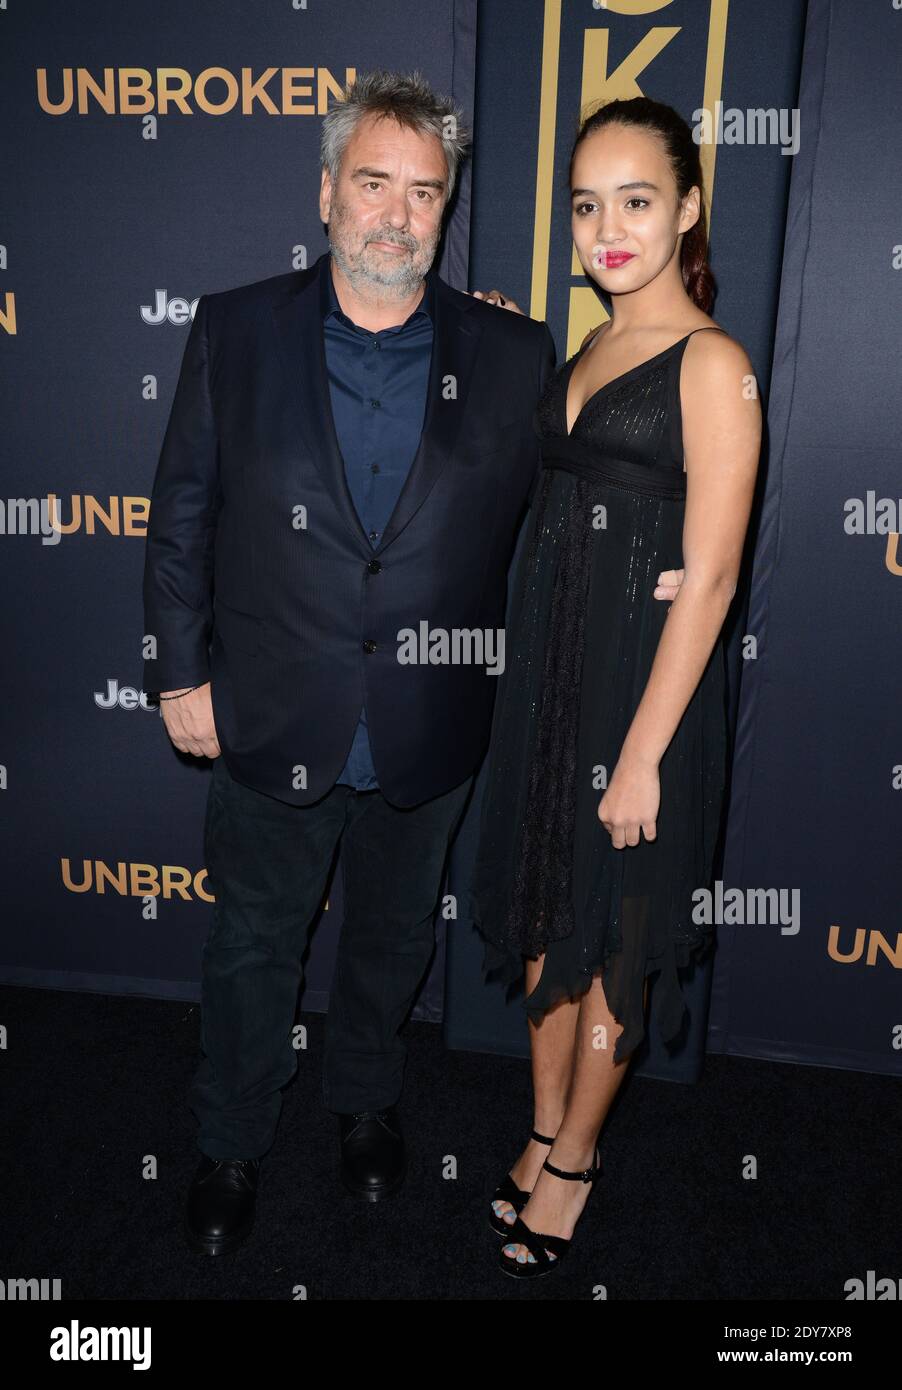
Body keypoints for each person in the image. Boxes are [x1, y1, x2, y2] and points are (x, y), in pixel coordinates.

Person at [142, 70, 688, 1258]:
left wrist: (676, 567)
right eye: (374, 183)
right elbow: (180, 509)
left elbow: (577, 501)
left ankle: (363, 1105)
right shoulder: (235, 328)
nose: (395, 214)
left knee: (391, 941)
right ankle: (230, 1138)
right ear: (328, 188)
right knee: (251, 946)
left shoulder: (509, 348)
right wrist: (180, 675)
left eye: (423, 193)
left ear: (446, 210)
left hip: (428, 719)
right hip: (271, 707)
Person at [468, 96, 762, 1277]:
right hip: (545, 678)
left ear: (686, 206)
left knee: (616, 936)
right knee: (543, 918)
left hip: (643, 696)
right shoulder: (581, 345)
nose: (607, 230)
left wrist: (642, 750)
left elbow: (713, 573)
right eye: (587, 206)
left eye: (635, 201)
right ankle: (542, 1126)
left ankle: (578, 1159)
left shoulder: (715, 362)